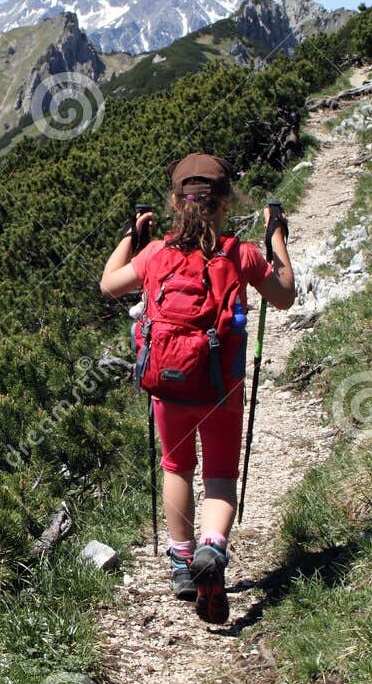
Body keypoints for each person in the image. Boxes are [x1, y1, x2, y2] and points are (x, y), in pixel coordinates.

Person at [100, 153, 295, 623]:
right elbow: (285, 295)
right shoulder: (240, 253)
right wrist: (277, 239)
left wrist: (131, 237)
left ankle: (182, 564)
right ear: (225, 203)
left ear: (175, 202)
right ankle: (213, 548)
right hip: (220, 387)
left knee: (177, 466)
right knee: (221, 477)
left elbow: (109, 284)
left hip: (168, 387)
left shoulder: (154, 254)